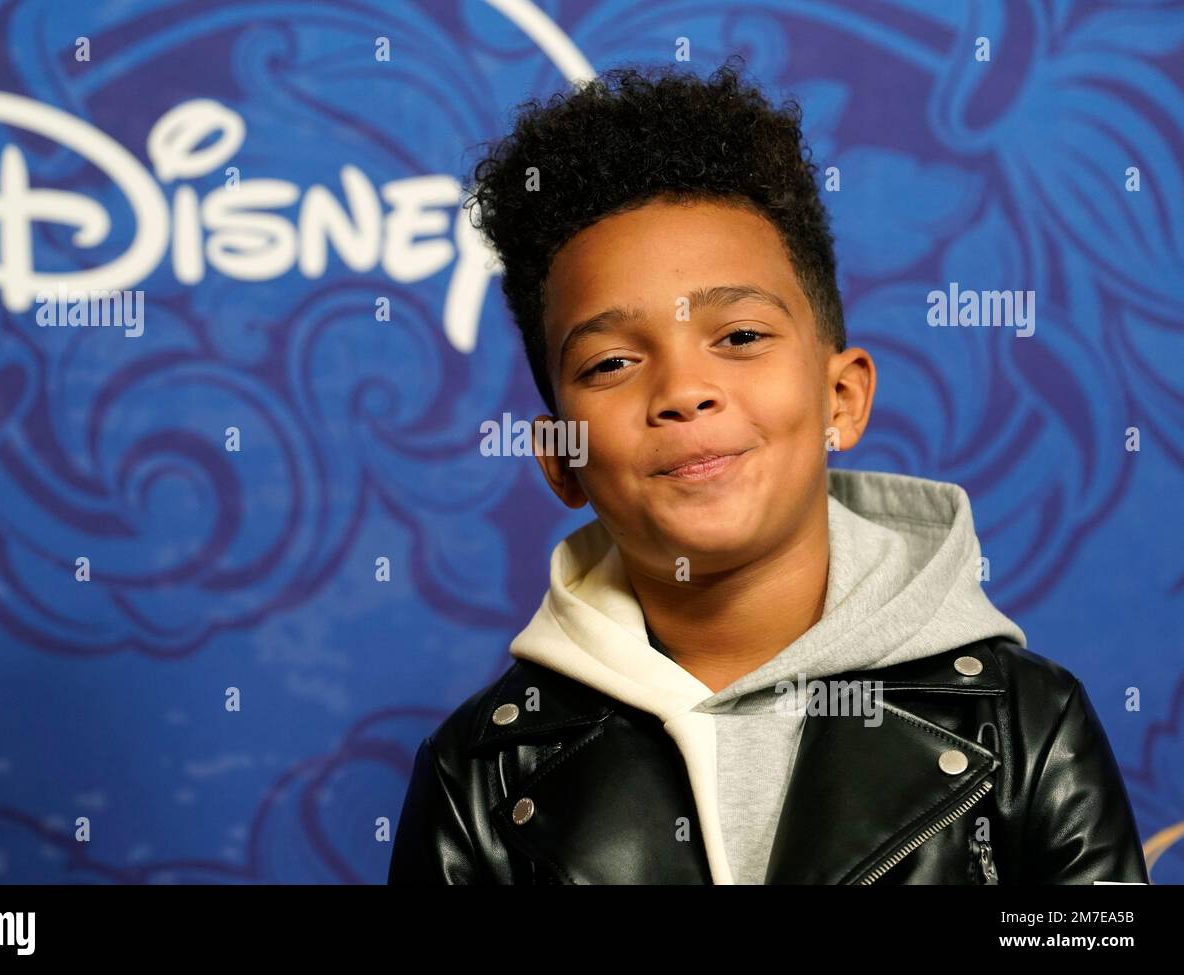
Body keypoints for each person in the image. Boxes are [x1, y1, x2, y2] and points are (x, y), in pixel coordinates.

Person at [386, 56, 1149, 884]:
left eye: (741, 337)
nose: (683, 391)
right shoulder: (483, 771)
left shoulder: (1024, 725)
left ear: (842, 397)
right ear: (561, 459)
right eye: (610, 362)